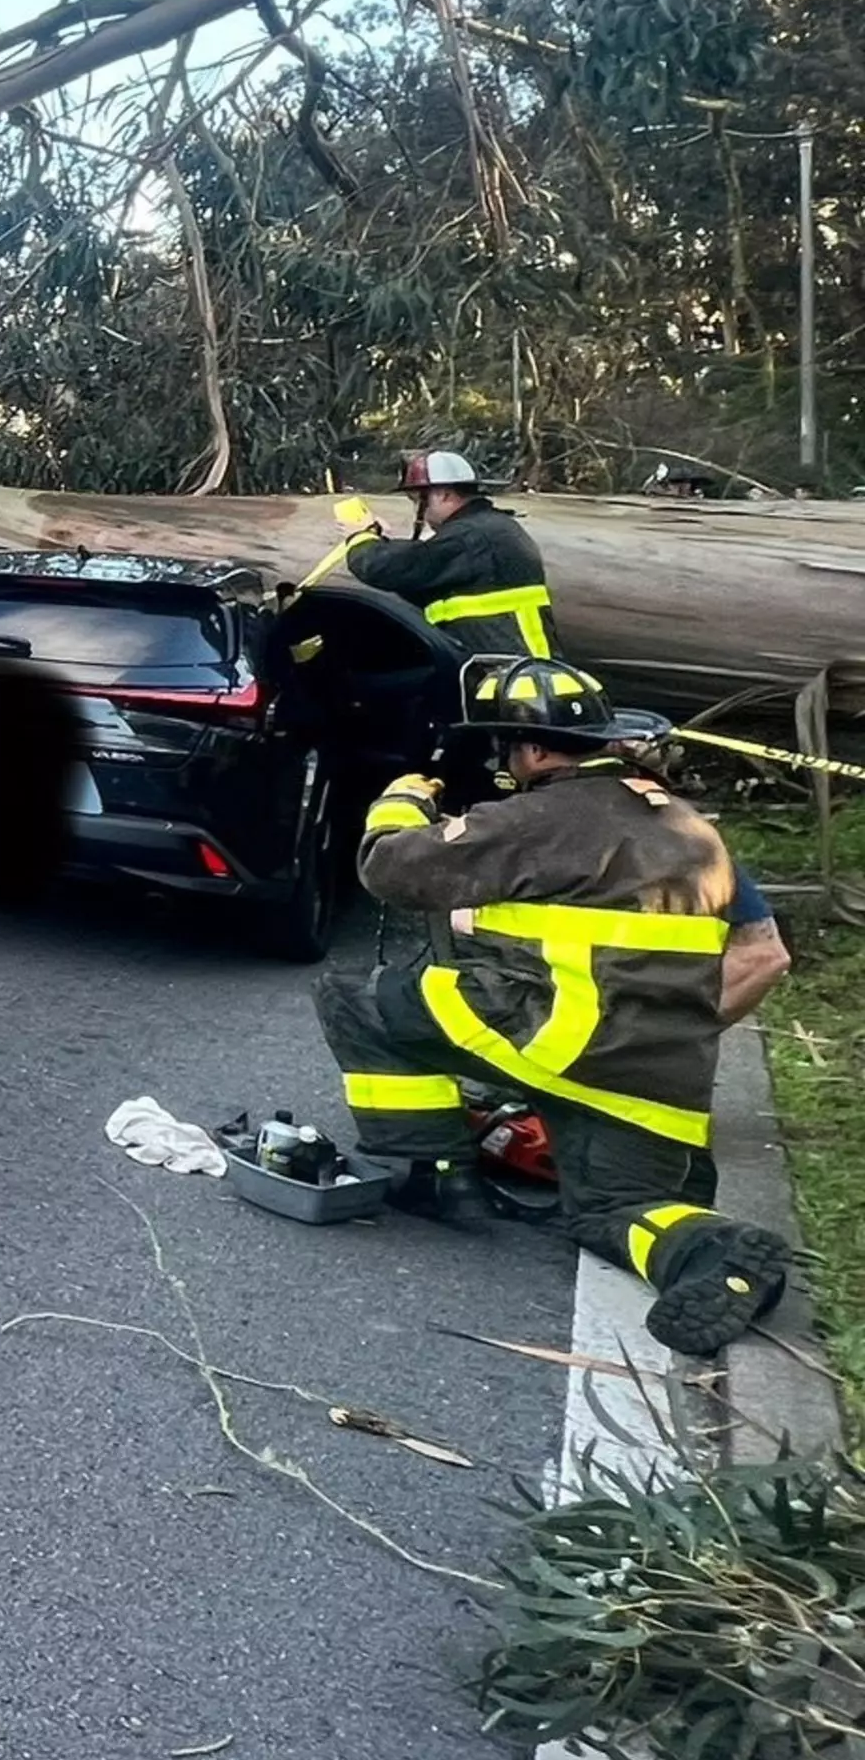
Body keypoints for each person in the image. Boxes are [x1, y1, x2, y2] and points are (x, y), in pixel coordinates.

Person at [316, 653, 794, 1354]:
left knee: (354, 999)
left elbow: (390, 868)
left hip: (556, 1040)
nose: (505, 762)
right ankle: (713, 1249)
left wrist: (401, 804)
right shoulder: (691, 829)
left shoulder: (540, 817)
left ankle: (432, 1174)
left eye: (508, 747)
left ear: (536, 749)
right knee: (612, 1211)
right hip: (659, 1081)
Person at [340, 446, 557, 659]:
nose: (418, 511)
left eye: (418, 500)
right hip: (517, 673)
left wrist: (361, 537)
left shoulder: (471, 536)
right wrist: (382, 542)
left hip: (510, 679)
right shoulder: (488, 528)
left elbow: (387, 568)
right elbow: (420, 577)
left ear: (443, 495)